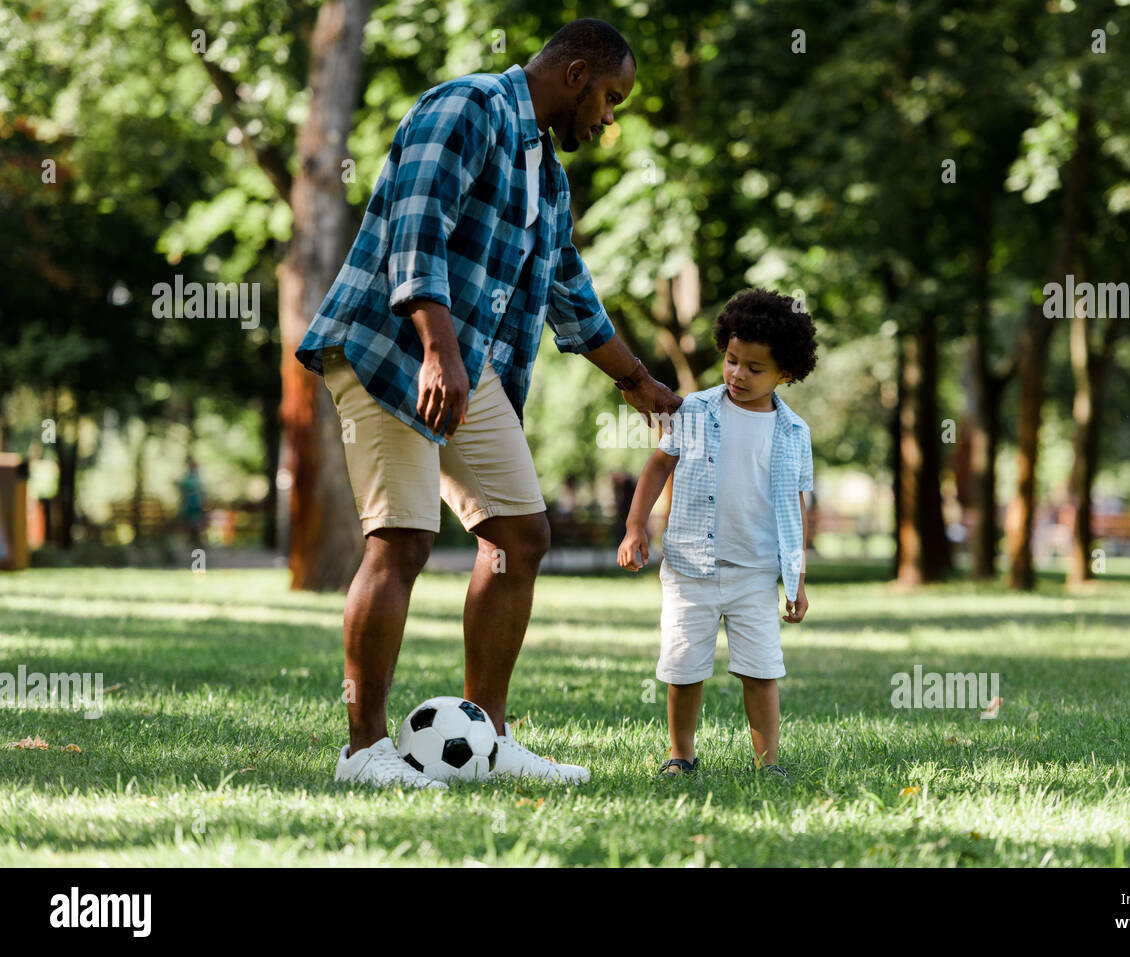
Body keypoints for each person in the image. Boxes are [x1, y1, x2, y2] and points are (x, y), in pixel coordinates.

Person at [294, 19, 681, 789]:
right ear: (575, 74)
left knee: (520, 535)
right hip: (389, 347)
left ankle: (490, 737)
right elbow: (416, 227)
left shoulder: (547, 170)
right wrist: (437, 347)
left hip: (469, 367)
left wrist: (640, 382)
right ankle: (363, 749)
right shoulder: (467, 108)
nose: (609, 119)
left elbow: (570, 293)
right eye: (610, 99)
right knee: (401, 540)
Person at [617, 289, 817, 777]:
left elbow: (795, 508)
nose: (737, 375)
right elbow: (658, 464)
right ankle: (681, 755)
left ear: (785, 374)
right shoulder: (697, 411)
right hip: (690, 568)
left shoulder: (793, 433)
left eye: (754, 368)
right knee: (684, 668)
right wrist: (634, 525)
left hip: (755, 572)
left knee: (762, 670)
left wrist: (798, 579)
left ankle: (767, 762)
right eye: (732, 360)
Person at [177, 457, 205, 548]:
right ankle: (191, 540)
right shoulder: (188, 476)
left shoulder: (196, 477)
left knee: (195, 522)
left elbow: (195, 487)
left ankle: (196, 540)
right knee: (189, 522)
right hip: (189, 504)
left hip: (195, 503)